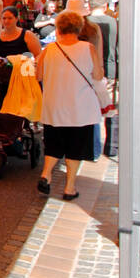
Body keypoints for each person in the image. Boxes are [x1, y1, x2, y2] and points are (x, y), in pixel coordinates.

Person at [35, 10, 101, 200]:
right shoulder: (88, 48)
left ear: (59, 28)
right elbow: (97, 76)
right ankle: (69, 187)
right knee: (75, 148)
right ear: (79, 28)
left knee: (54, 145)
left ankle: (46, 174)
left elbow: (38, 76)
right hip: (80, 109)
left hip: (54, 106)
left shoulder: (49, 49)